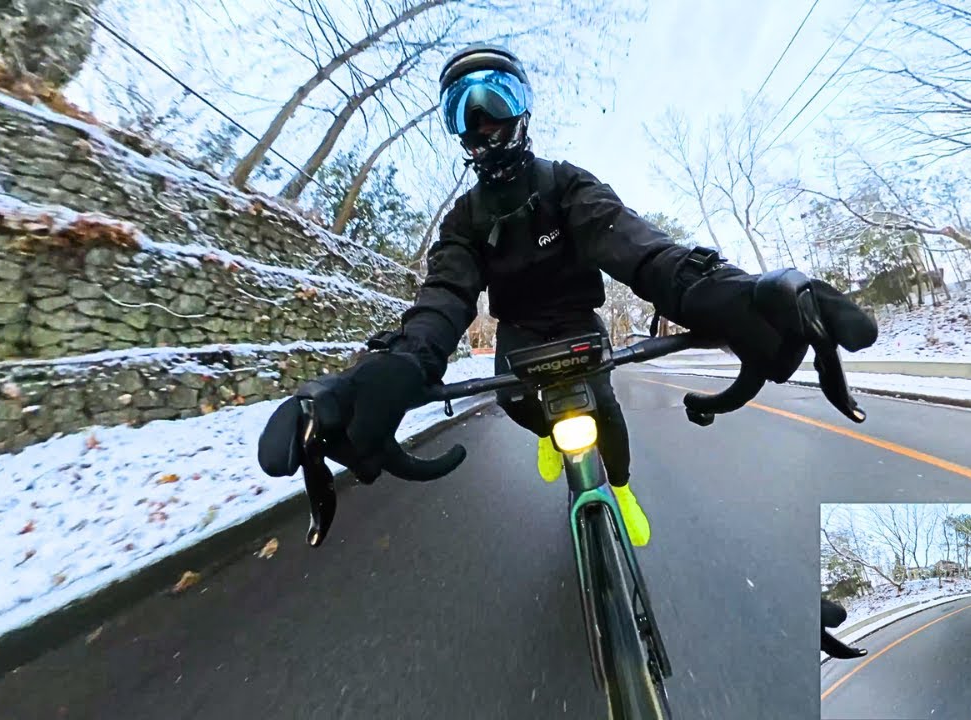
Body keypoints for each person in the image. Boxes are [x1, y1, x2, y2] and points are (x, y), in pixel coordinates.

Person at [257, 44, 878, 548]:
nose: (482, 121)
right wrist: (393, 365)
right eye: (462, 111)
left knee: (605, 411)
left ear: (522, 109)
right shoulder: (462, 221)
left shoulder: (568, 185)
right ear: (454, 129)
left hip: (579, 325)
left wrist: (729, 295)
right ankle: (553, 438)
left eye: (495, 99)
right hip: (520, 335)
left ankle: (624, 489)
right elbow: (445, 294)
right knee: (524, 408)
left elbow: (641, 249)